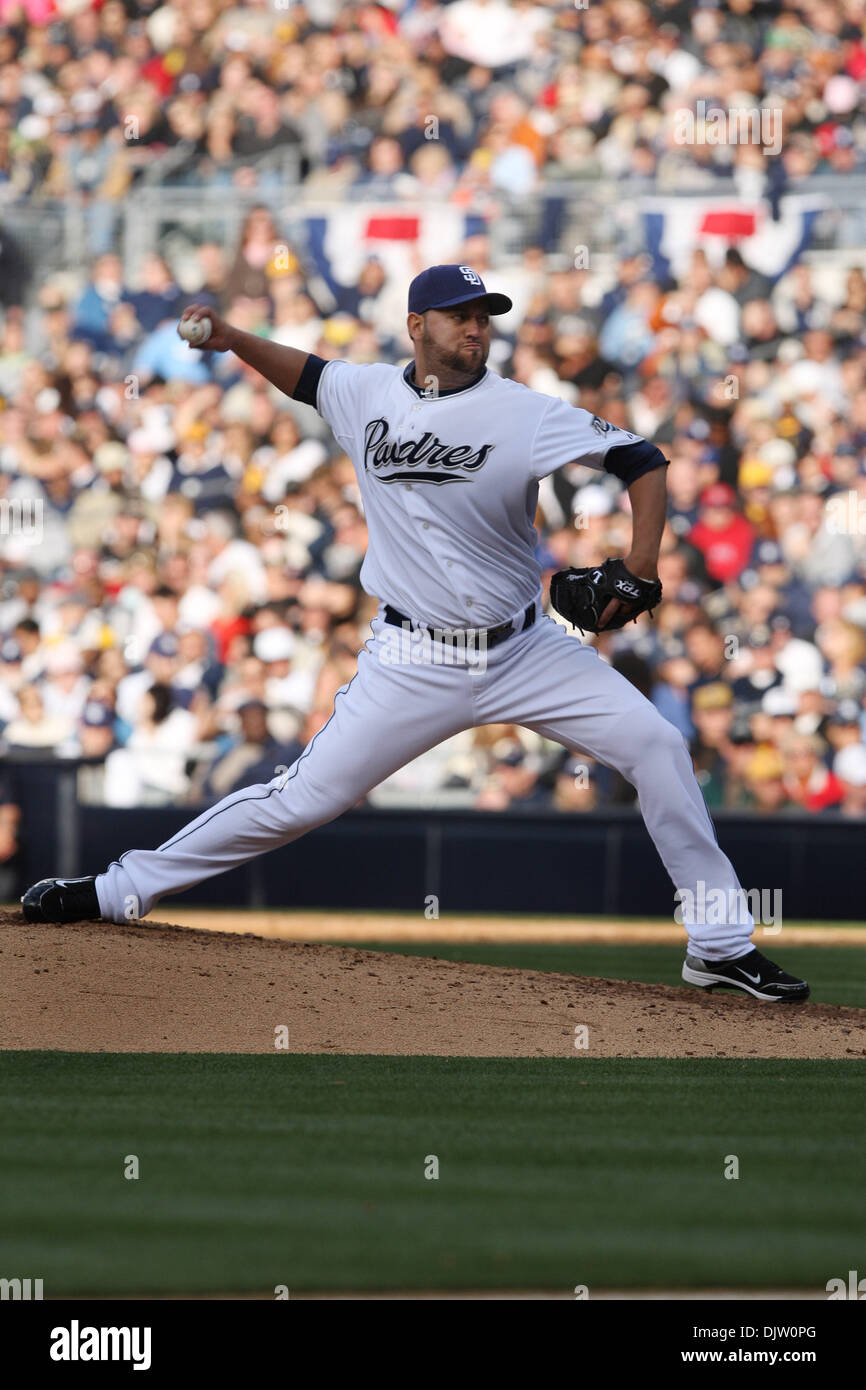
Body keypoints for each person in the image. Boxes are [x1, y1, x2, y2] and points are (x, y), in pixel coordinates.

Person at [23, 264, 809, 1002]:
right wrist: (232, 340)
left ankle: (718, 943)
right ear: (415, 325)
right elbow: (305, 375)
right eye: (459, 315)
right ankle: (117, 890)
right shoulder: (363, 393)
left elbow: (642, 458)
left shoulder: (523, 412)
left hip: (527, 648)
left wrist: (640, 564)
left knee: (659, 746)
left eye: (484, 316)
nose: (476, 327)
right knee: (300, 800)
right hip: (412, 656)